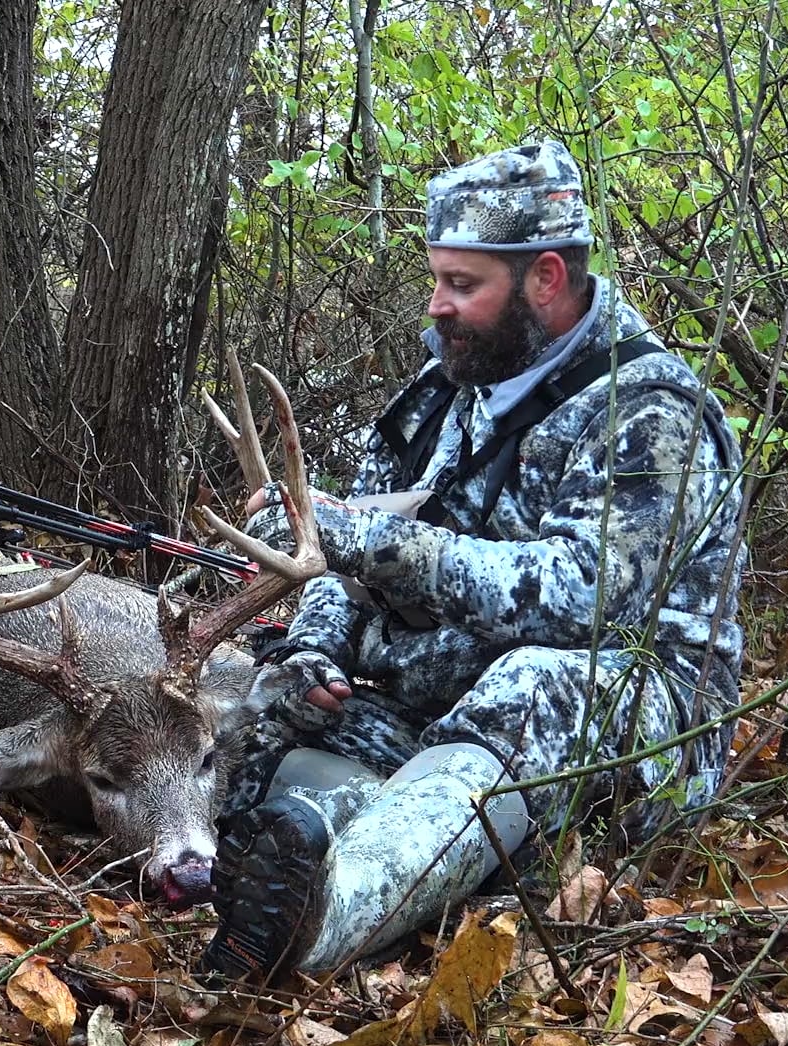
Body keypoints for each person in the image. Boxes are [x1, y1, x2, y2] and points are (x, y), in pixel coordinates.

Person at [200, 140, 748, 984]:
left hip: (633, 713)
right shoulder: (443, 388)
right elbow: (341, 551)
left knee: (535, 685)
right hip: (443, 702)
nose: (439, 306)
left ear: (548, 279)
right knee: (268, 705)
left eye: (464, 285)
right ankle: (285, 855)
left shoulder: (653, 414)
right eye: (437, 281)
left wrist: (382, 543)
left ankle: (320, 921)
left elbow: (580, 604)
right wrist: (315, 649)